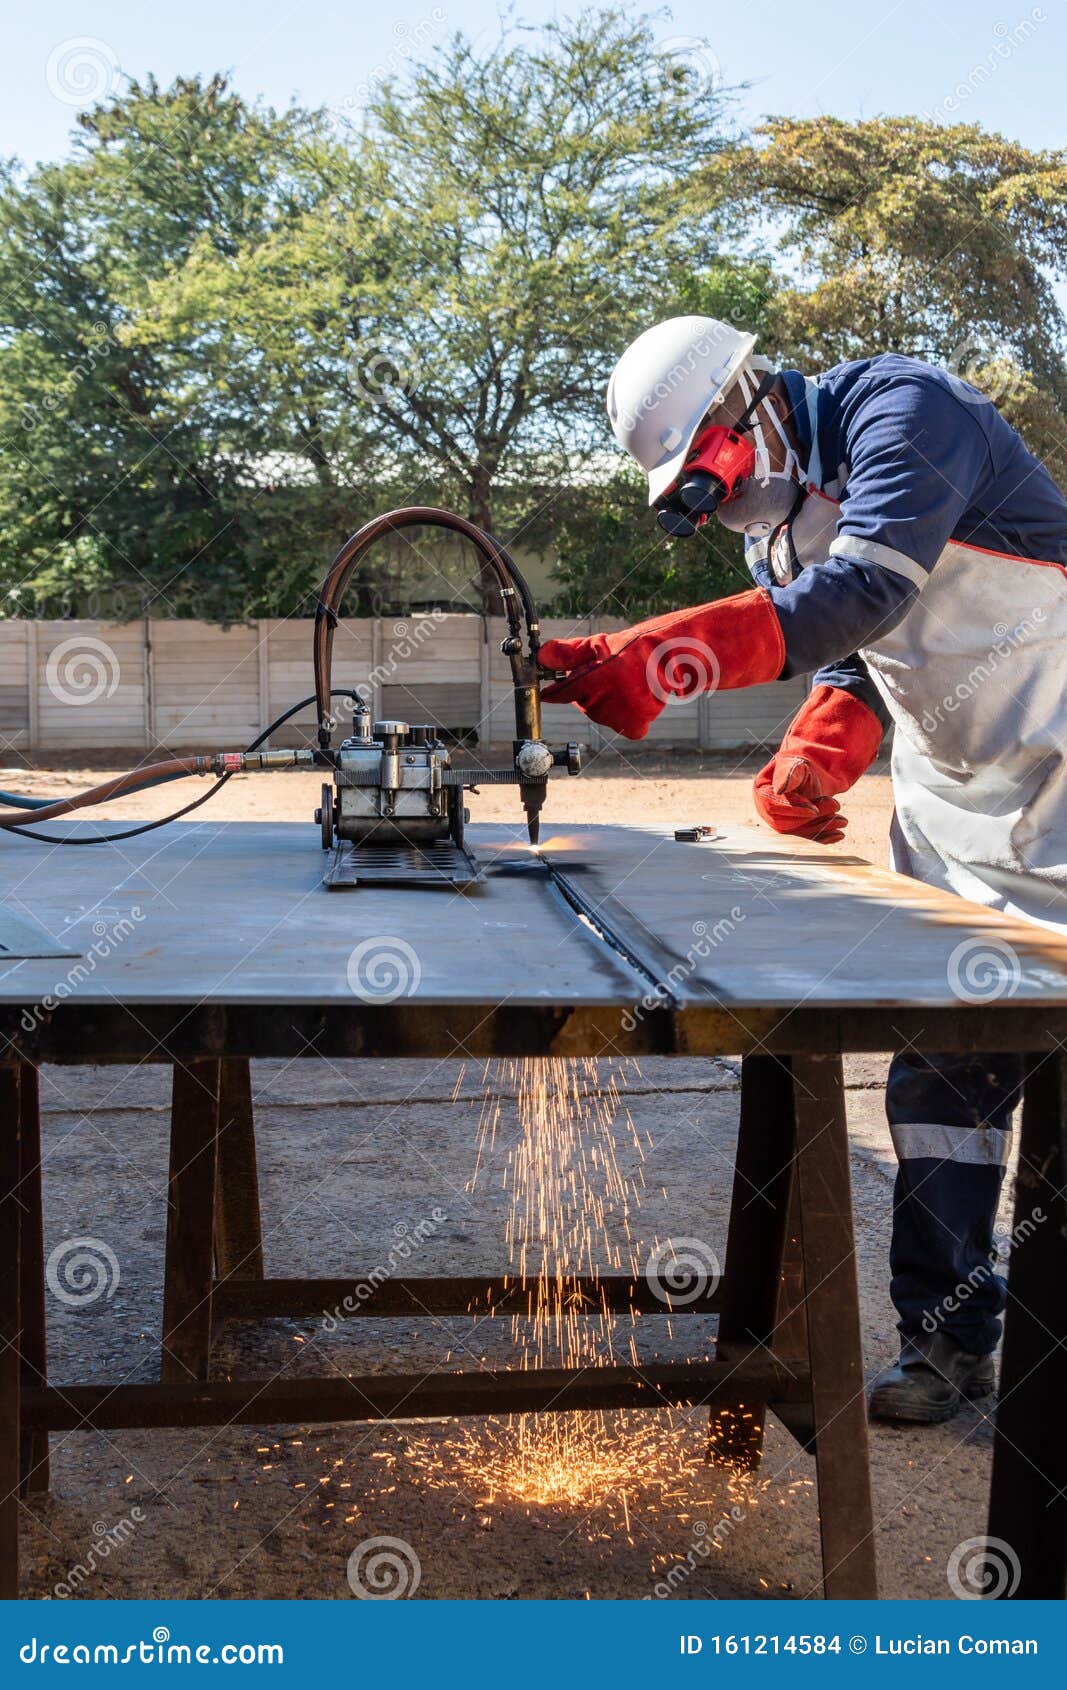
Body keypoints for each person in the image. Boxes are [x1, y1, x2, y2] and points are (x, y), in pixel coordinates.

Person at [539, 315, 1067, 1424]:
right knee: (938, 1088)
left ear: (751, 402)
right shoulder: (771, 530)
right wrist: (813, 751)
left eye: (707, 480)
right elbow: (859, 650)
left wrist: (659, 654)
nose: (715, 510)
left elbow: (868, 588)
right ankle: (945, 1342)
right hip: (957, 814)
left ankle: (1047, 1376)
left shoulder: (903, 412)